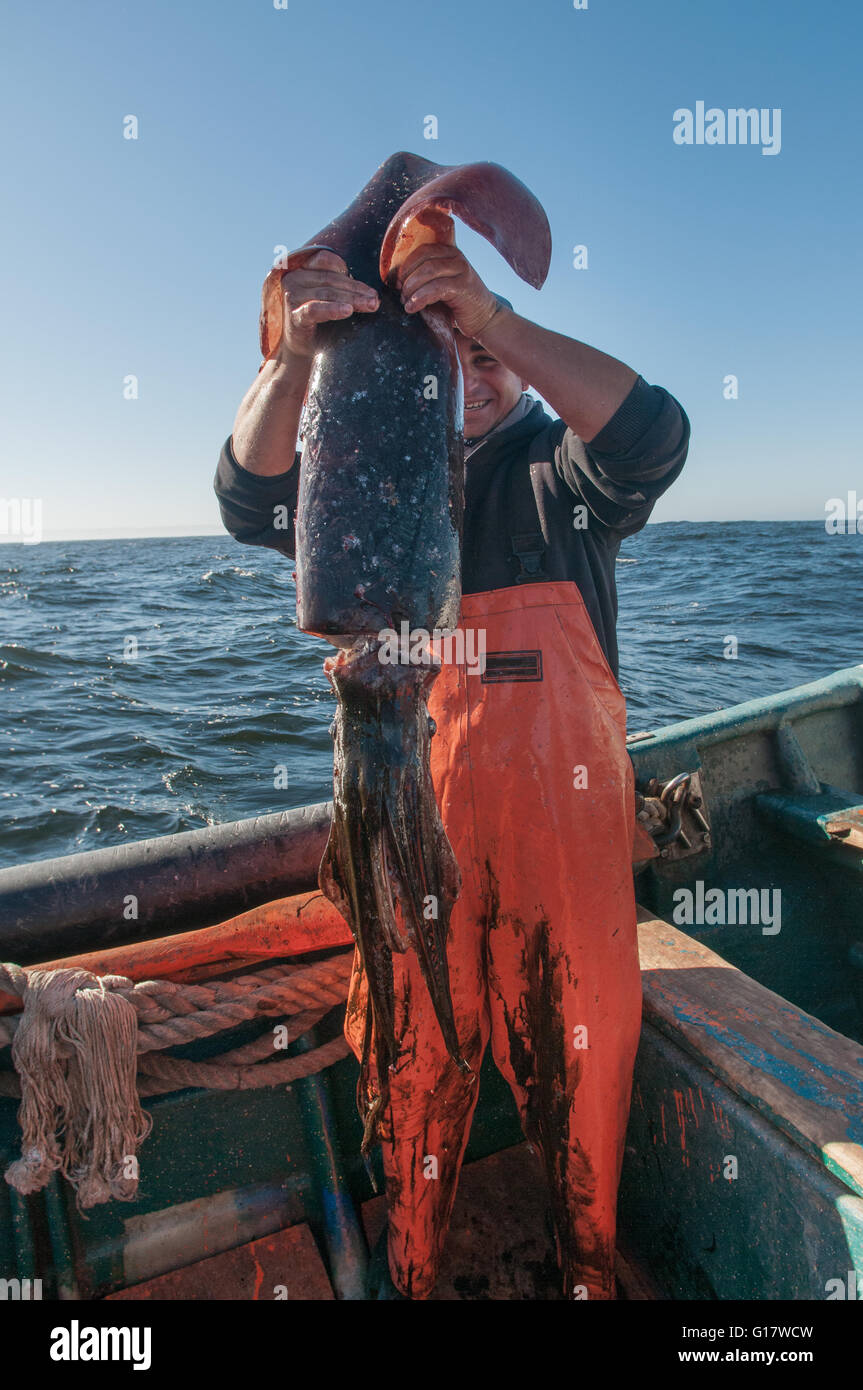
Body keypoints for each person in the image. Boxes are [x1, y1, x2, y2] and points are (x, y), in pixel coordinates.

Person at [214, 245, 689, 1300]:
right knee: (410, 1075)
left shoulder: (558, 478)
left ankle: (588, 1276)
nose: (470, 372)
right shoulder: (369, 479)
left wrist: (493, 318)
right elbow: (249, 500)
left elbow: (653, 435)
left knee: (579, 1084)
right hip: (410, 854)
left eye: (487, 355)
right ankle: (412, 1274)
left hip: (562, 870)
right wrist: (294, 358)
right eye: (449, 354)